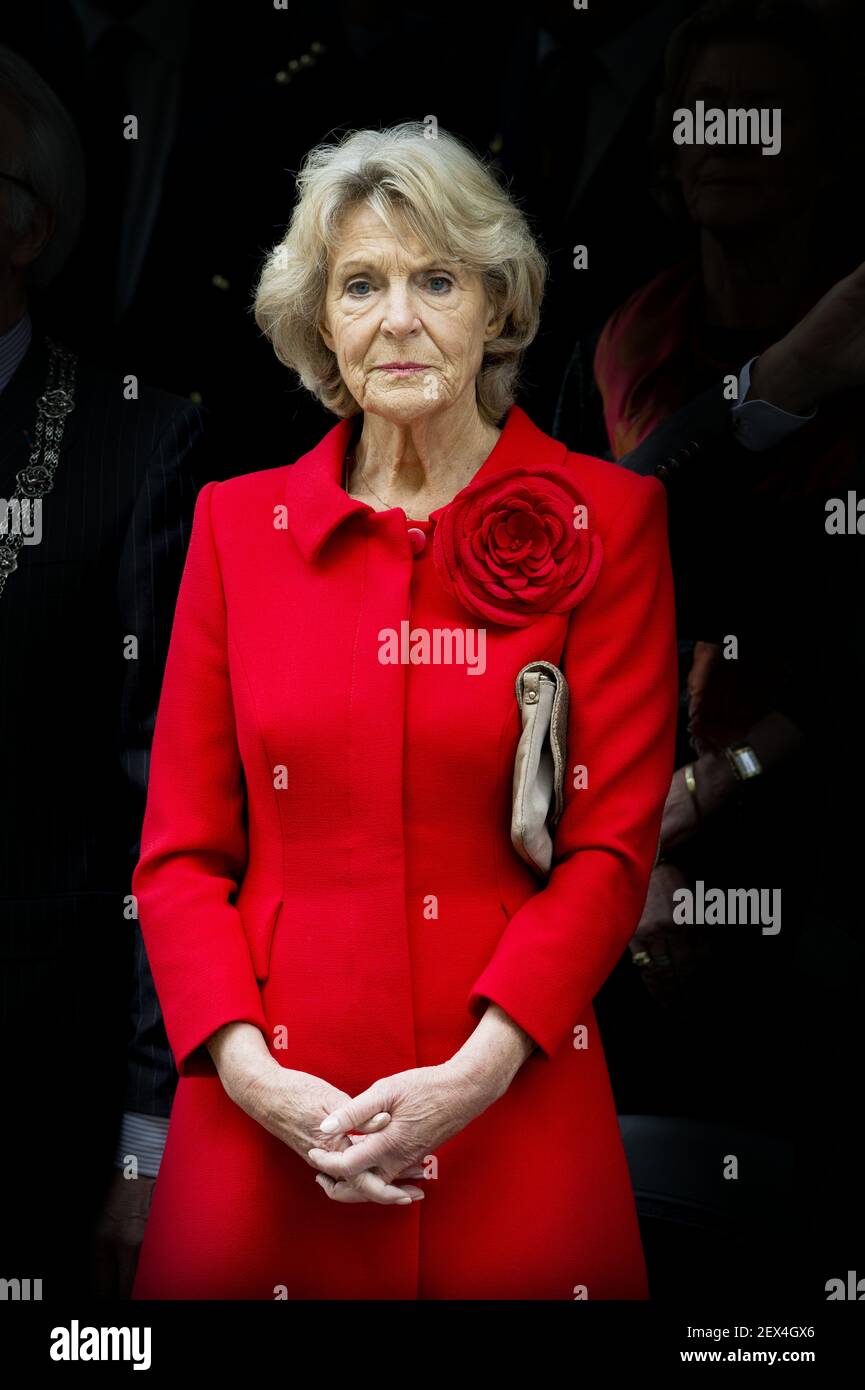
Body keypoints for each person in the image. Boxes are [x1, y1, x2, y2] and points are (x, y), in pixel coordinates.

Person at [130, 122, 677, 1300]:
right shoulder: (236, 528)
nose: (398, 318)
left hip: (509, 1105)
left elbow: (608, 851)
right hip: (266, 1116)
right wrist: (255, 1077)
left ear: (497, 306)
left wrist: (466, 1080)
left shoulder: (611, 522)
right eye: (361, 285)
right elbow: (178, 857)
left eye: (436, 281)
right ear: (320, 321)